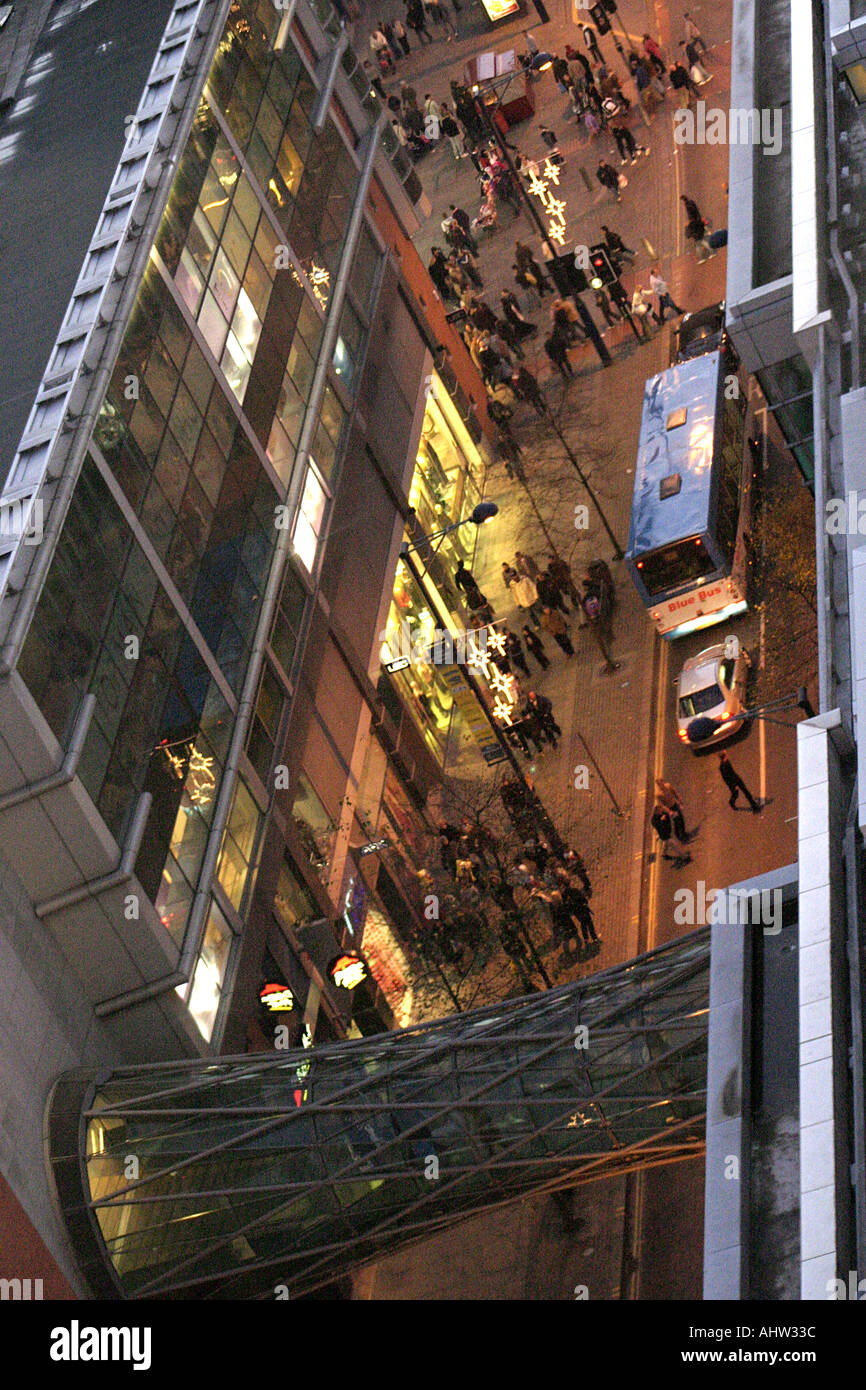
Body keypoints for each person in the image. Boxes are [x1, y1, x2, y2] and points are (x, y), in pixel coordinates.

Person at [655, 778, 691, 843]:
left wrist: (679, 800)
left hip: (675, 804)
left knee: (681, 819)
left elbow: (674, 792)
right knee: (677, 822)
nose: (662, 784)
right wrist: (669, 811)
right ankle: (680, 837)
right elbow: (662, 805)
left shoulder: (668, 786)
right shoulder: (658, 794)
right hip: (670, 809)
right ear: (658, 785)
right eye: (660, 784)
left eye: (662, 782)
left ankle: (683, 833)